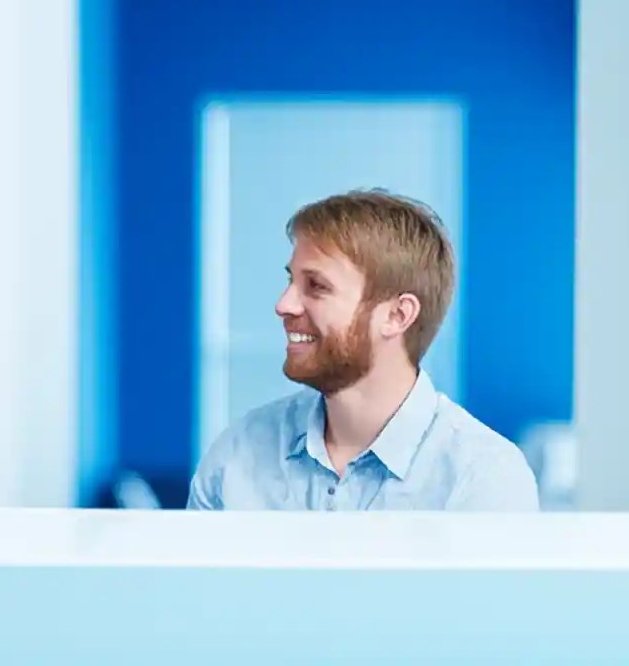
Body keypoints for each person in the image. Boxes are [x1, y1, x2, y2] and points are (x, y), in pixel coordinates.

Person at [188, 189, 537, 511]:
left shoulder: (483, 479)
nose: (284, 305)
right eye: (291, 280)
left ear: (397, 316)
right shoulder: (238, 454)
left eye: (316, 286)